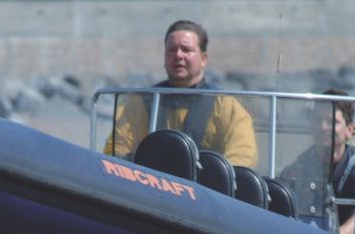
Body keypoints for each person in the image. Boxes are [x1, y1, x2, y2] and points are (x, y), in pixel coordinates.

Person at [105, 20, 258, 168]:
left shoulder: (225, 104)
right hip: (148, 183)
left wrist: (216, 174)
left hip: (205, 184)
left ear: (203, 59)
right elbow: (116, 149)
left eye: (186, 49)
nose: (178, 55)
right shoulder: (141, 102)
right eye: (171, 50)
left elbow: (243, 154)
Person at [283, 89, 355, 234]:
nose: (323, 127)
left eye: (332, 122)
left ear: (349, 130)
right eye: (317, 120)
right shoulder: (297, 169)